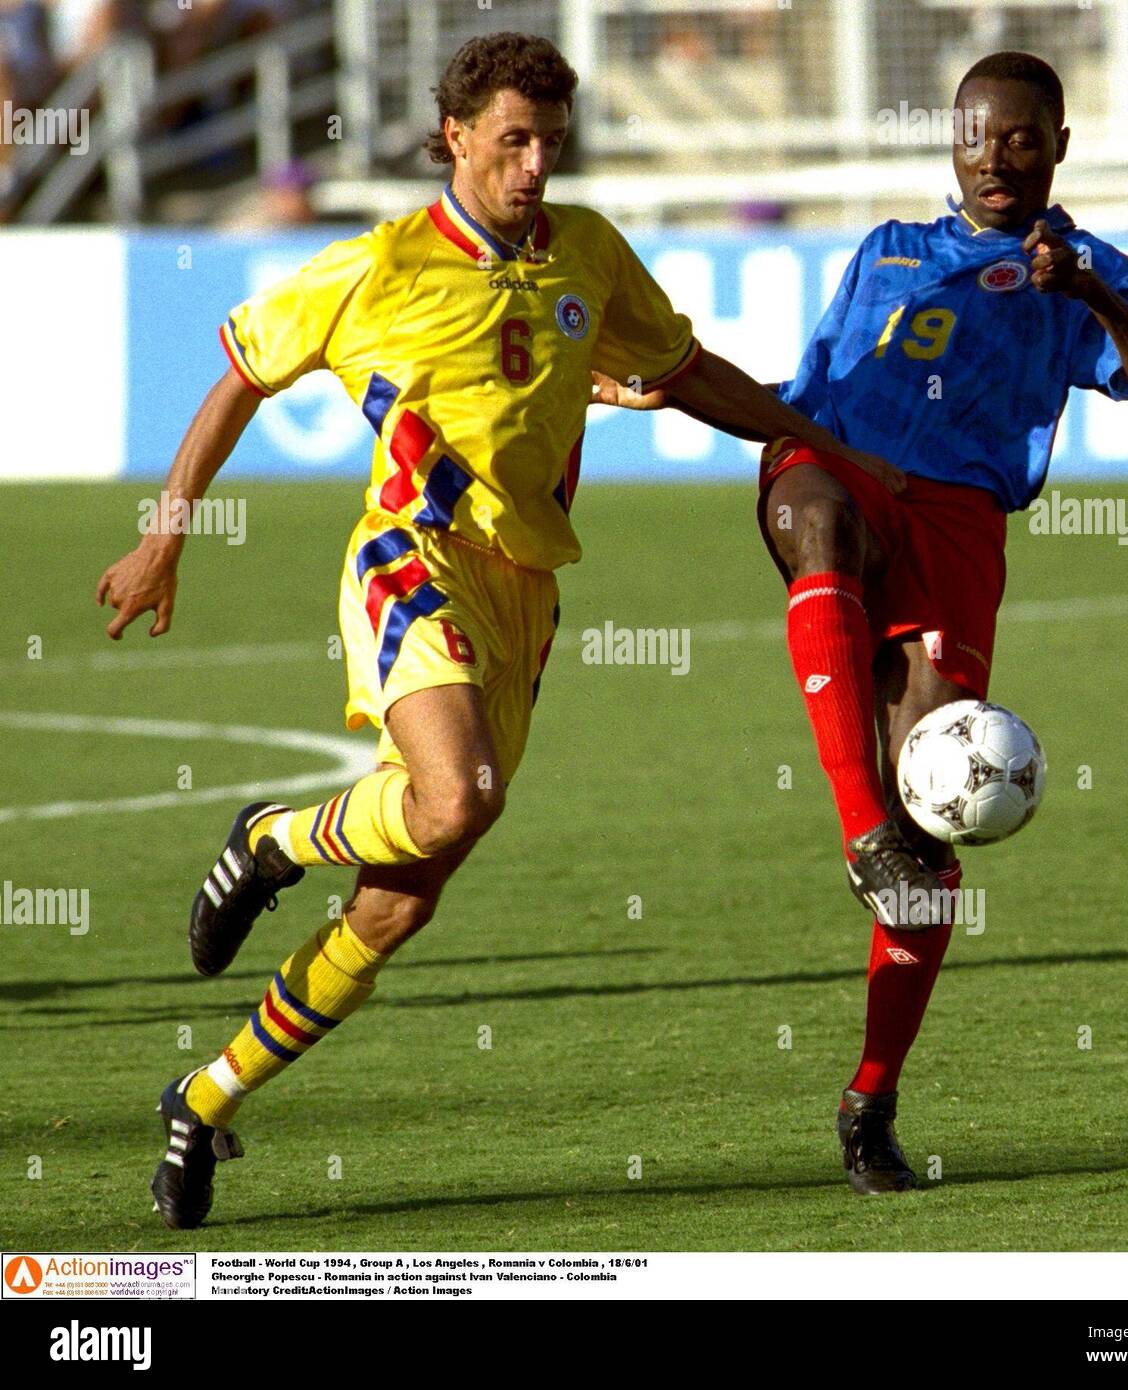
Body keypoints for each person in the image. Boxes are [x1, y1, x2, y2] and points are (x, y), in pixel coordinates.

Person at [95, 31, 902, 1230]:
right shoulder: (379, 264)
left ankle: (204, 1098)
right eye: (513, 141)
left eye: (551, 144)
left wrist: (815, 439)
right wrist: (167, 533)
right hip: (408, 560)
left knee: (400, 903)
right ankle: (270, 838)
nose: (533, 166)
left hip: (526, 594)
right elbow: (236, 380)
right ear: (456, 137)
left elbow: (683, 370)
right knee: (460, 796)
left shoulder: (584, 254)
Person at [596, 51, 1128, 1195]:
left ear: (1058, 146)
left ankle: (869, 1097)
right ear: (951, 143)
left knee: (934, 831)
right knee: (816, 514)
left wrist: (1087, 292)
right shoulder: (886, 249)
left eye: (1020, 138)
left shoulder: (1081, 273)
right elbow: (817, 386)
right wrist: (663, 387)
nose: (993, 159)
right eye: (975, 137)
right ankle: (854, 827)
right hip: (839, 467)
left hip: (958, 523)